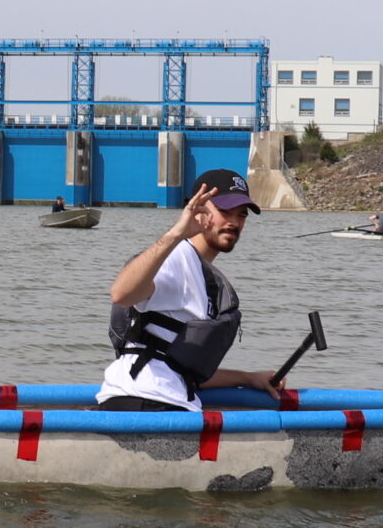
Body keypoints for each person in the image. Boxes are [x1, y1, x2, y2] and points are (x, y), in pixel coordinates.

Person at [98, 169, 284, 412]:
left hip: (161, 399)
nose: (234, 222)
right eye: (225, 211)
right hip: (147, 403)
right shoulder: (176, 257)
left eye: (241, 215)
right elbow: (122, 294)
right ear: (197, 210)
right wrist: (176, 233)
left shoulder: (202, 273)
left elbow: (178, 367)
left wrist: (248, 378)